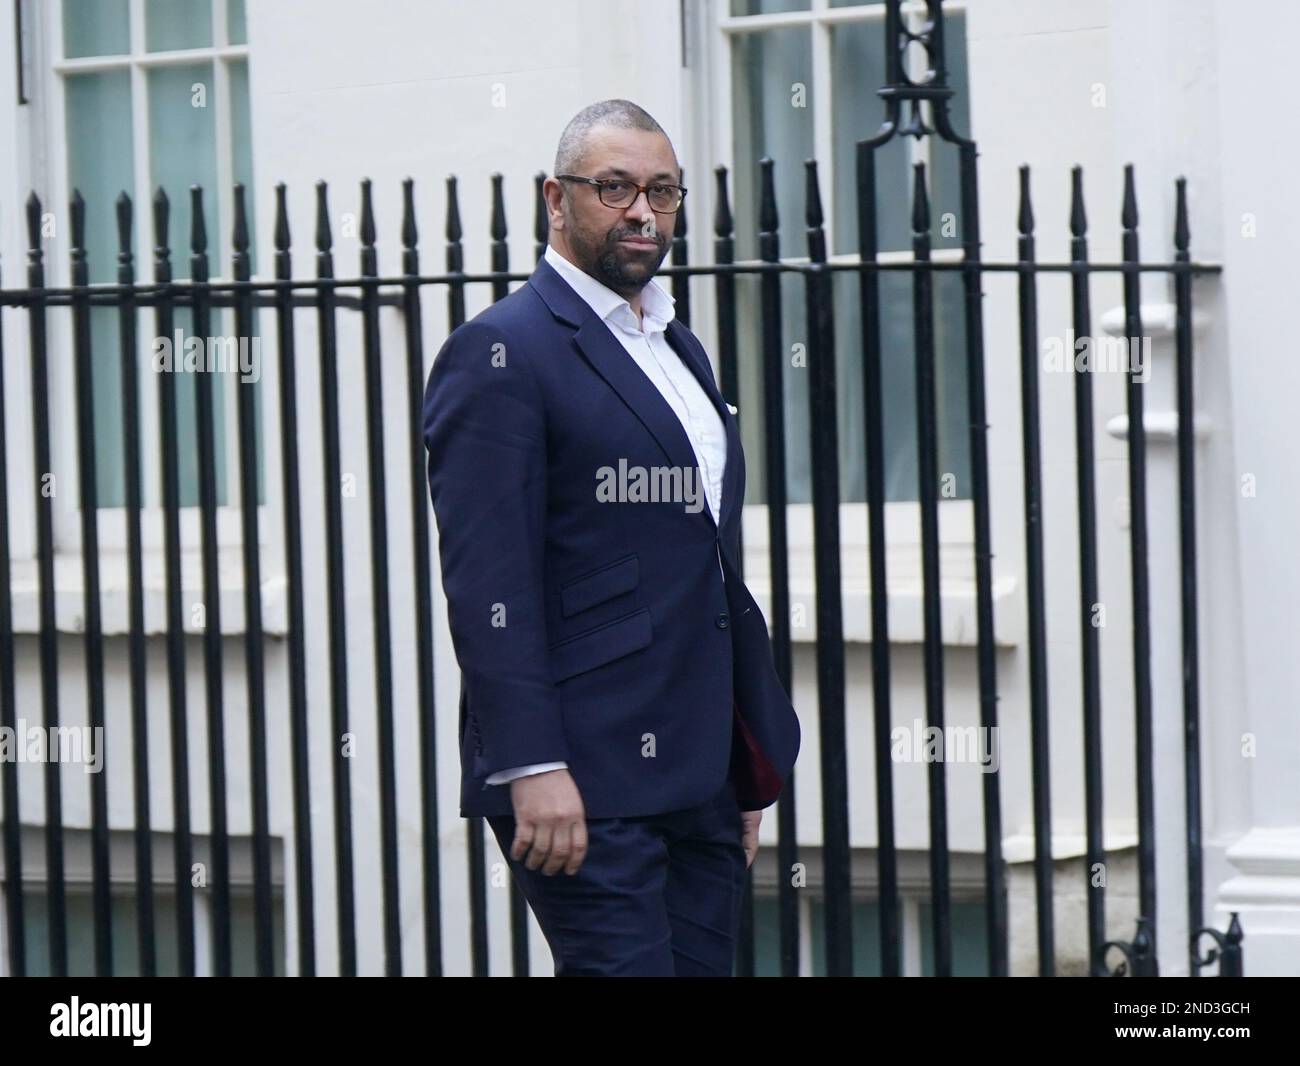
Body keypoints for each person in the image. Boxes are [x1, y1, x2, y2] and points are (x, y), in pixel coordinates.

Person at [422, 99, 800, 976]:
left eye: (662, 191)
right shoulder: (501, 353)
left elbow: (705, 562)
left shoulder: (678, 347)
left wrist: (748, 756)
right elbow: (488, 583)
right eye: (616, 187)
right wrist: (530, 764)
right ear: (556, 199)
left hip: (702, 771)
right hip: (583, 779)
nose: (643, 211)